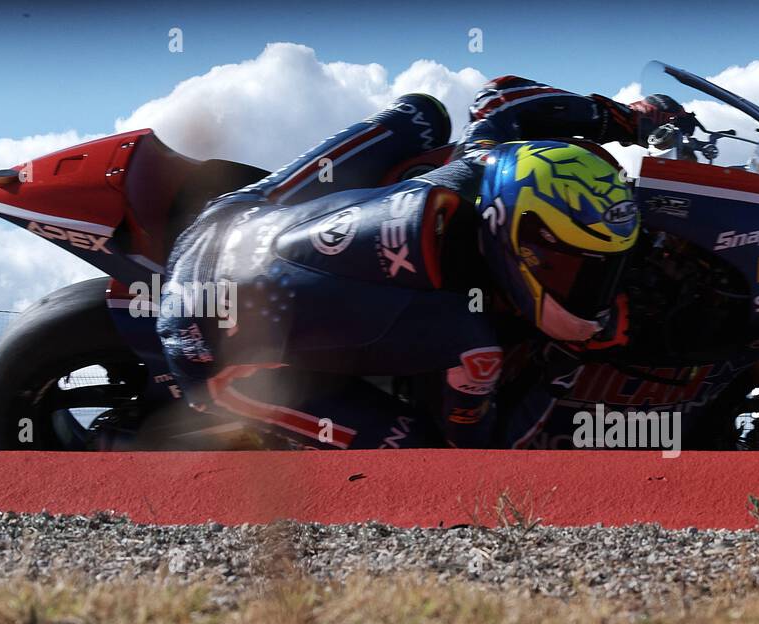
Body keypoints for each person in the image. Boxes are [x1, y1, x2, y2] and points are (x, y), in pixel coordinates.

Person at [157, 77, 694, 448]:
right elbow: (477, 441)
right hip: (202, 346)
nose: (599, 289)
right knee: (421, 453)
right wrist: (568, 358)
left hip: (226, 218)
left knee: (421, 114)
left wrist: (615, 117)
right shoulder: (473, 339)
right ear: (522, 244)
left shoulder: (483, 163)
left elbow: (503, 102)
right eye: (582, 269)